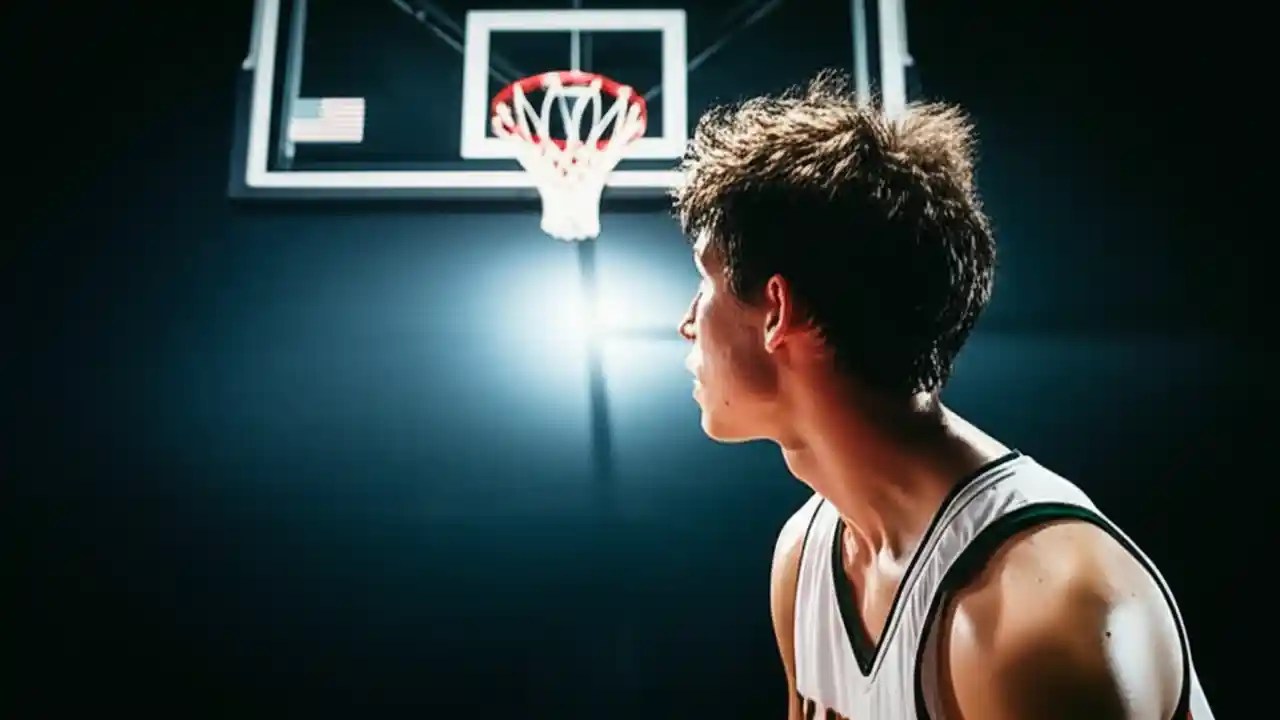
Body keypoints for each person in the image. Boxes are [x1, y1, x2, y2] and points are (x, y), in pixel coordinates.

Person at [672, 71, 1214, 720]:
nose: (686, 321)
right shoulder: (807, 557)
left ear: (776, 311)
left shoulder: (1040, 624)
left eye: (704, 280)